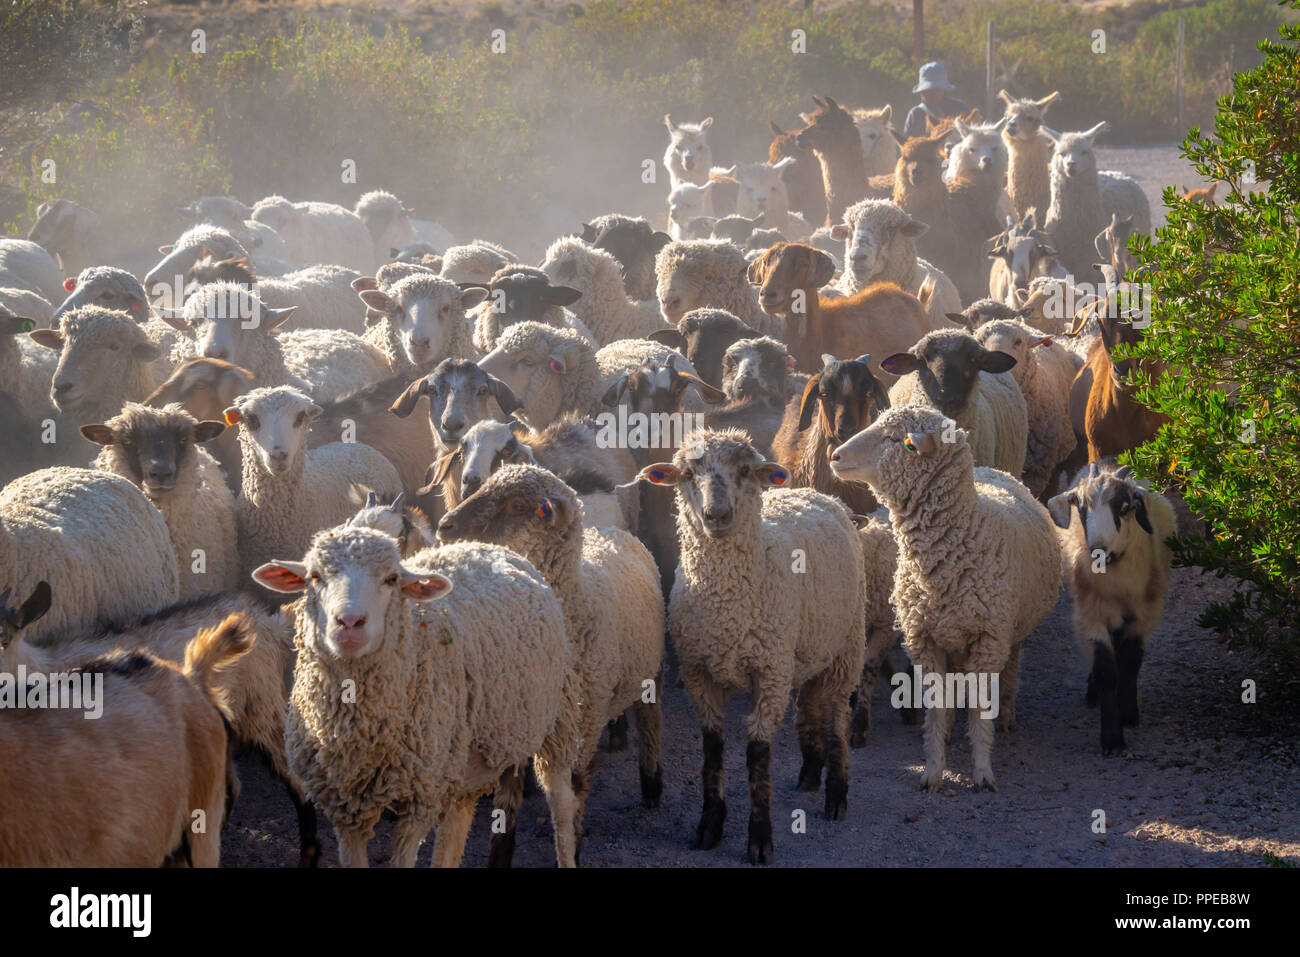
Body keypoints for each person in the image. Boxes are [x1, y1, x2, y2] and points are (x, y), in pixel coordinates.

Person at [901, 61, 971, 142]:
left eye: (936, 90)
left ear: (943, 89)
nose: (932, 93)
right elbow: (907, 146)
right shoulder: (916, 114)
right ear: (922, 91)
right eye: (928, 90)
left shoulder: (959, 109)